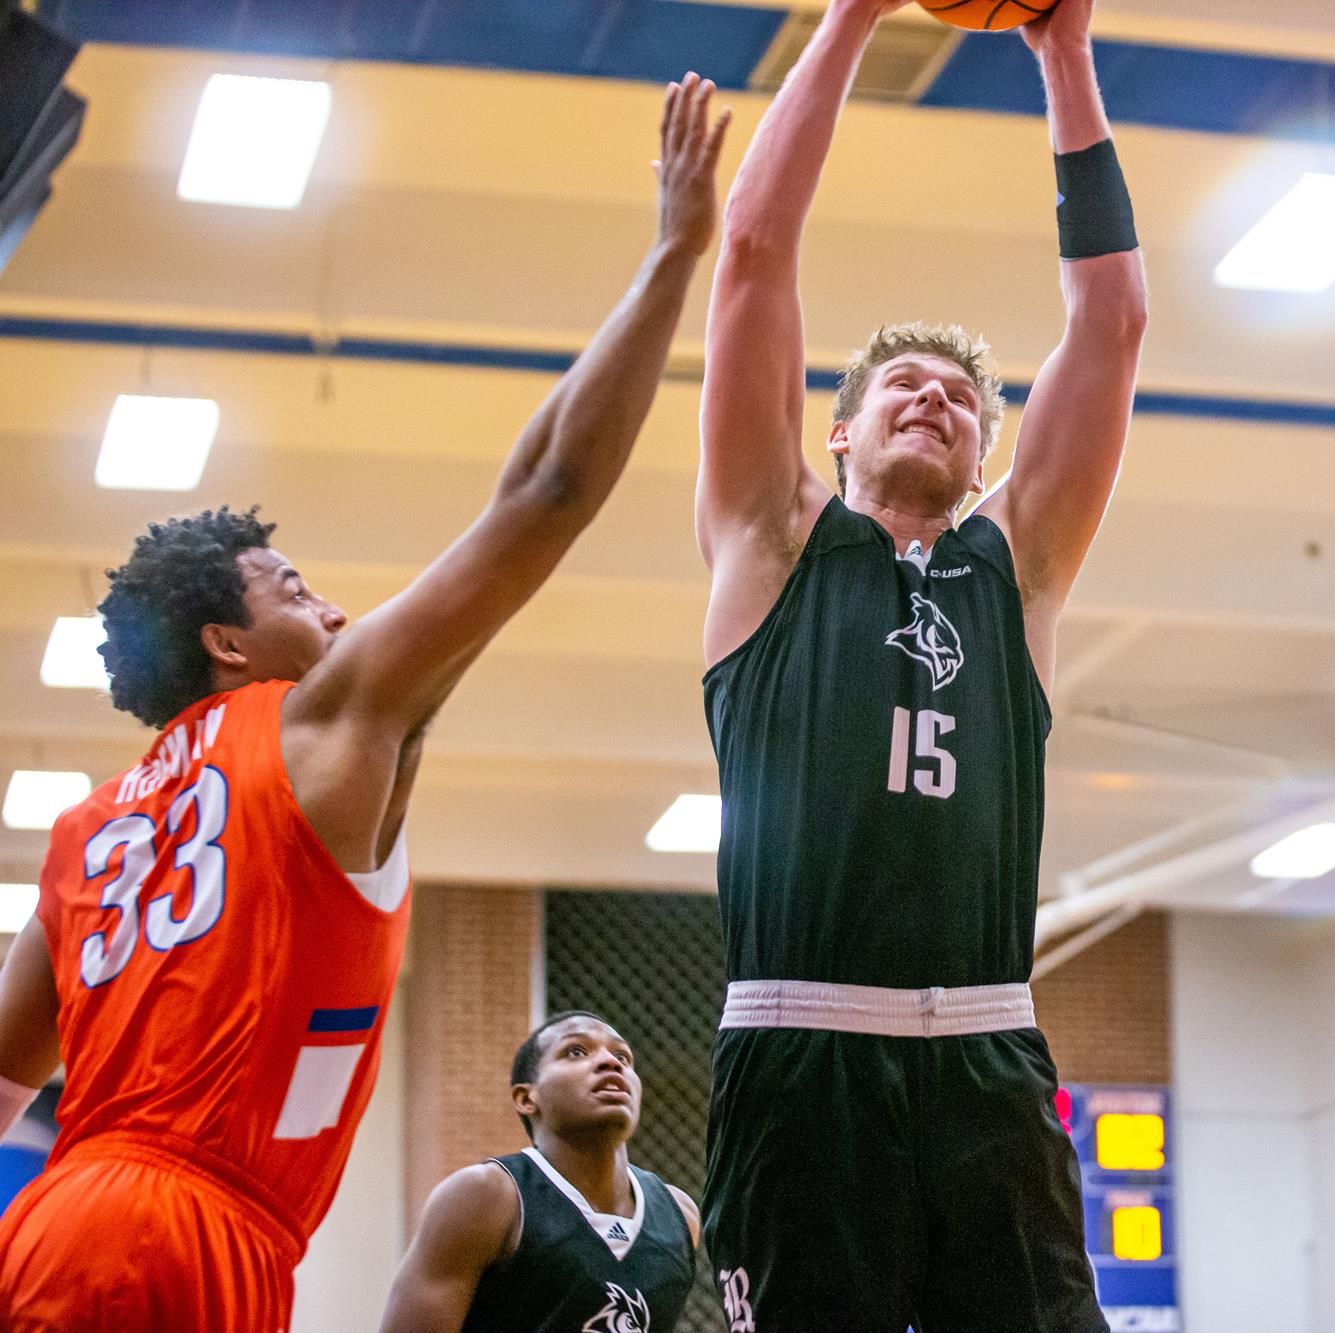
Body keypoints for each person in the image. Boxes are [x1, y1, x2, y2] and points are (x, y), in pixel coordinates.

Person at [0, 77, 729, 1331]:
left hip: (50, 1218)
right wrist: (674, 256)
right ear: (231, 643)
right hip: (191, 1231)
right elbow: (546, 492)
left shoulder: (85, 833)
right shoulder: (323, 718)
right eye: (294, 586)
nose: (332, 609)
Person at [693, 0, 1146, 1326]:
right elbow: (757, 254)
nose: (937, 399)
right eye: (902, 386)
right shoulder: (770, 539)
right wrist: (849, 16)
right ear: (834, 436)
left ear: (981, 456)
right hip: (801, 1048)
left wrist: (1065, 56)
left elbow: (1110, 319)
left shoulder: (1020, 566)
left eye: (961, 401)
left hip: (991, 1054)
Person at [379, 1011, 699, 1332]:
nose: (610, 1062)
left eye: (622, 1056)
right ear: (527, 1097)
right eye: (576, 1051)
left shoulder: (679, 1214)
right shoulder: (485, 1197)